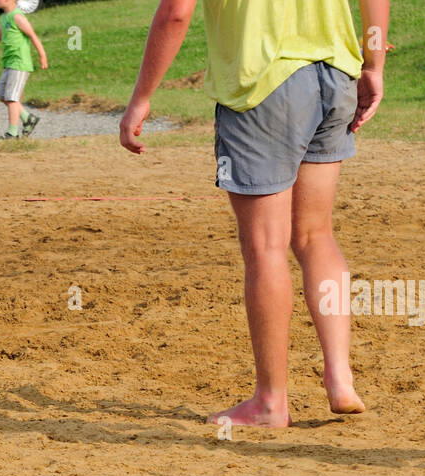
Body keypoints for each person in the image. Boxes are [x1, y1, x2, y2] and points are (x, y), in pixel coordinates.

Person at [120, 0, 388, 427]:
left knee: (266, 247)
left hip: (262, 84)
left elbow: (175, 11)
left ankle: (270, 402)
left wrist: (142, 98)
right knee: (316, 235)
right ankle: (340, 377)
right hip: (335, 73)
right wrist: (373, 64)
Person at [0, 0, 48, 139]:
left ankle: (12, 133)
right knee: (2, 95)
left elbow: (32, 35)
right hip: (9, 62)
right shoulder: (4, 17)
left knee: (12, 98)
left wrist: (42, 55)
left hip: (19, 62)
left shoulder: (17, 17)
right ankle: (28, 118)